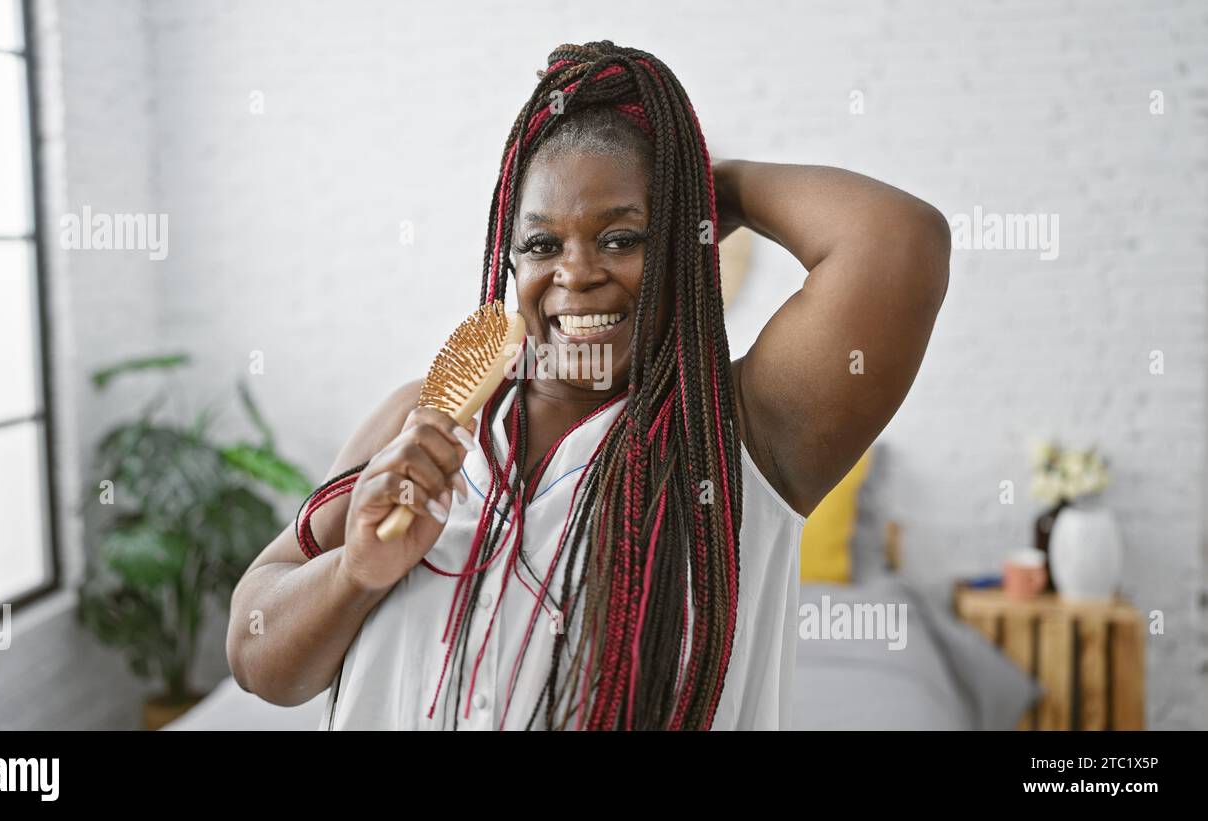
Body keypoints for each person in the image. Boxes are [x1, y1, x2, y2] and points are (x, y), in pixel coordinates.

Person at [226, 40, 949, 730]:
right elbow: (257, 656)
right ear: (510, 262)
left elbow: (899, 240)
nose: (575, 273)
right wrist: (354, 573)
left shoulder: (740, 437)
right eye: (542, 243)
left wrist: (699, 182)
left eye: (622, 237)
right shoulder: (419, 420)